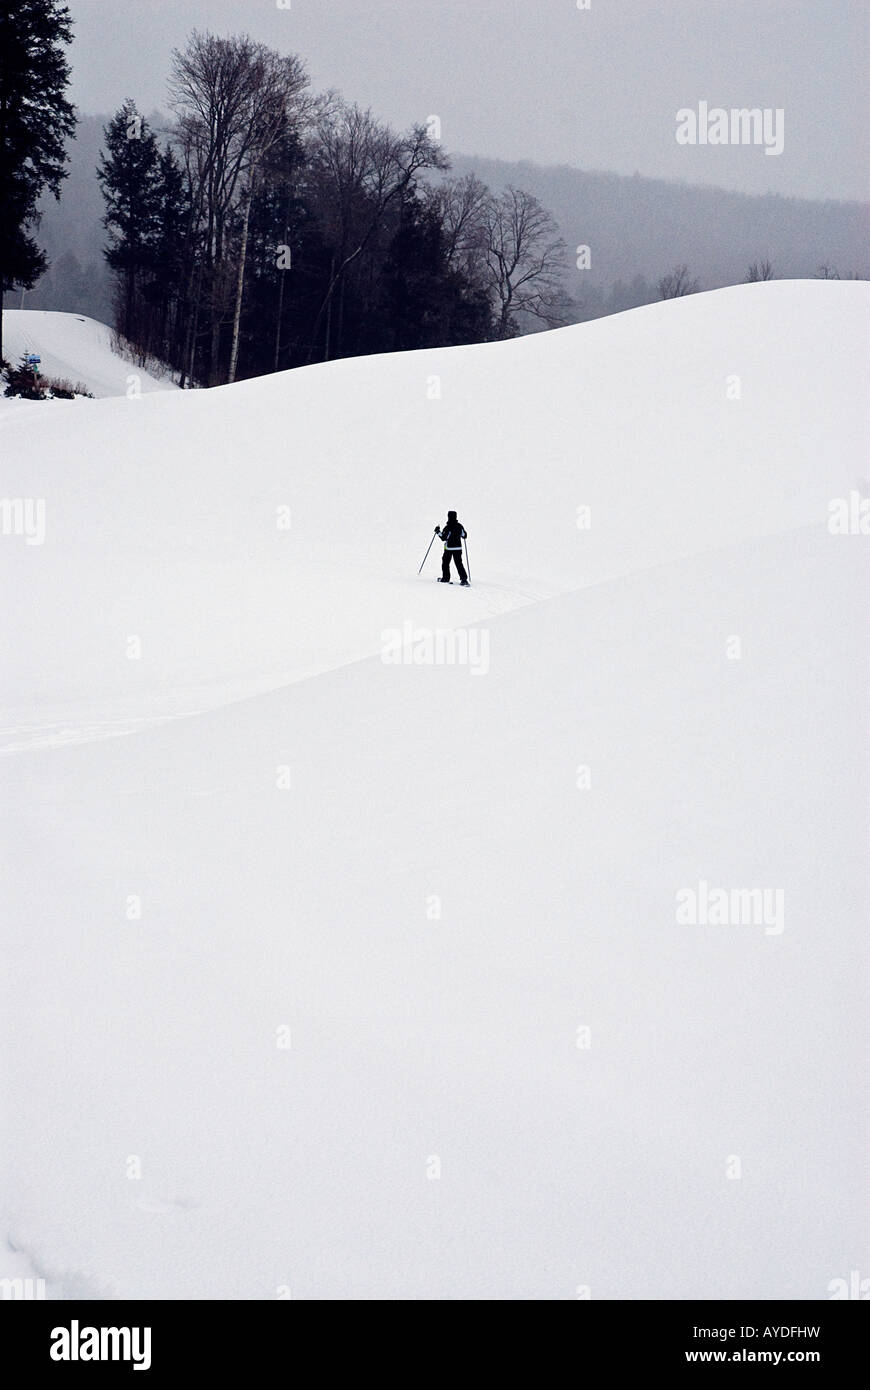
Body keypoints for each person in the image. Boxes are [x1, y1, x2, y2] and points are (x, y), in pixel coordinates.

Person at [435, 511, 469, 584]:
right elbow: (464, 535)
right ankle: (464, 580)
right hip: (458, 548)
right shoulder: (459, 526)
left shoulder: (448, 527)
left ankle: (445, 578)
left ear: (448, 517)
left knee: (445, 562)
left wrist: (438, 531)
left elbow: (443, 538)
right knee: (459, 563)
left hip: (449, 548)